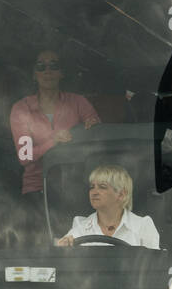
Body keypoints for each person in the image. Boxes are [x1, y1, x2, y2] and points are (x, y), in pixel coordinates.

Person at [9, 48, 101, 200]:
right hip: (37, 187)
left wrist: (91, 129)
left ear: (61, 73)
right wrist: (54, 141)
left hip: (77, 184)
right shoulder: (21, 108)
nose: (48, 71)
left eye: (54, 66)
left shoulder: (79, 102)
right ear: (34, 74)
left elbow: (97, 138)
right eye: (41, 67)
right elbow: (24, 156)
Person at [55, 164, 160, 249]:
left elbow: (154, 266)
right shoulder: (80, 227)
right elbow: (63, 262)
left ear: (121, 194)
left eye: (102, 187)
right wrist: (62, 247)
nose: (94, 192)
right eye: (92, 187)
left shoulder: (143, 226)